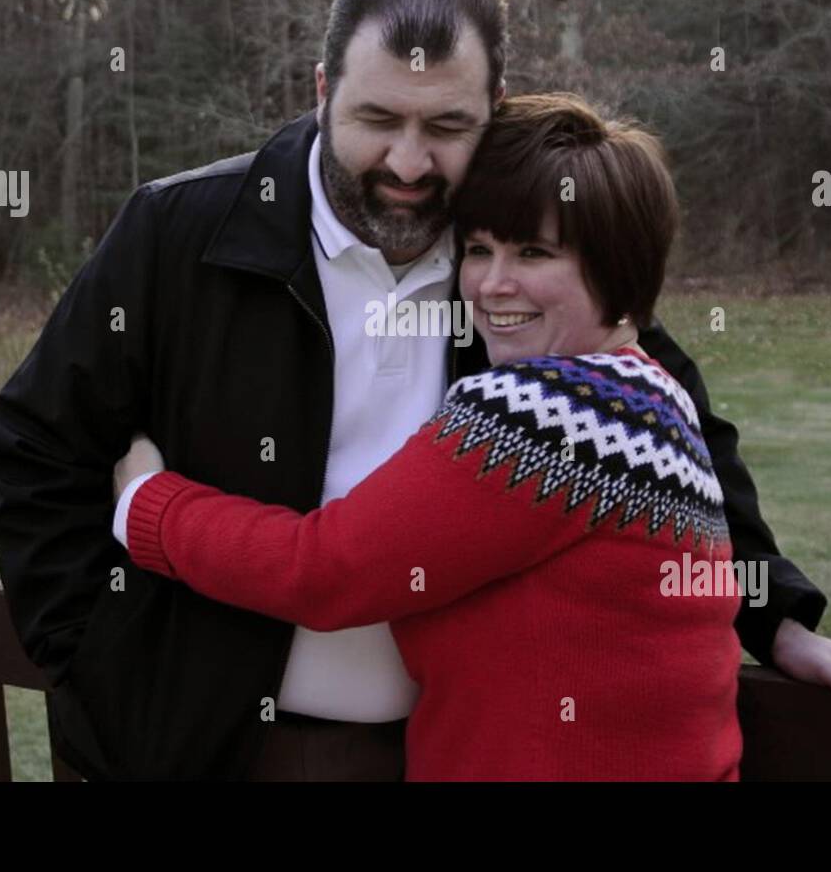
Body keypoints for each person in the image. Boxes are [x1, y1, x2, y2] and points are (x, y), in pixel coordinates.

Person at [0, 0, 831, 782]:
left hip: (430, 753)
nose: (409, 162)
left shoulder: (518, 250)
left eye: (446, 126)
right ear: (321, 88)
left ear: (494, 107)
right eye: (377, 118)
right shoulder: (181, 233)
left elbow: (676, 431)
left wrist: (773, 613)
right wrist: (99, 666)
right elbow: (36, 444)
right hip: (207, 753)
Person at [111, 93, 744, 780]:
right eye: (478, 249)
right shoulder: (655, 397)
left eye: (534, 251)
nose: (492, 284)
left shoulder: (541, 416)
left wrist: (146, 503)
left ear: (619, 267)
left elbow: (323, 571)